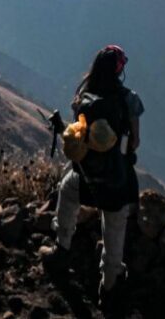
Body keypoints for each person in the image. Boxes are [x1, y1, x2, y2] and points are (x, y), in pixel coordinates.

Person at [40, 44, 144, 308]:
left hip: (87, 179)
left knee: (66, 188)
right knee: (114, 230)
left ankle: (62, 249)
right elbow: (135, 142)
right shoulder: (129, 100)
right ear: (120, 70)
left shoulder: (83, 97)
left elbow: (77, 137)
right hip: (118, 182)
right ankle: (108, 288)